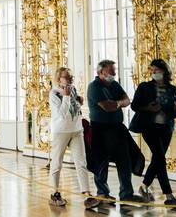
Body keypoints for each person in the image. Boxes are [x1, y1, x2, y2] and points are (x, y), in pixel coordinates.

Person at [129, 58, 176, 205]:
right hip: (148, 126)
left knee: (158, 159)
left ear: (164, 71)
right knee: (160, 158)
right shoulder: (144, 87)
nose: (154, 73)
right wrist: (148, 108)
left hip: (166, 128)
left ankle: (144, 186)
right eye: (152, 71)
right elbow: (134, 106)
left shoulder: (174, 90)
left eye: (157, 70)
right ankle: (169, 195)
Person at [86, 59, 133, 204]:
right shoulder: (94, 87)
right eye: (111, 70)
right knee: (101, 162)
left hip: (117, 128)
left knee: (124, 160)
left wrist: (117, 103)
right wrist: (118, 103)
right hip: (100, 129)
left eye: (114, 70)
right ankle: (103, 193)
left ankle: (126, 194)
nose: (114, 73)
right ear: (101, 72)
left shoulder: (114, 84)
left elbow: (127, 100)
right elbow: (107, 106)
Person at [47, 66, 91, 206]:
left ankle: (86, 193)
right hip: (61, 131)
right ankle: (54, 193)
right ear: (59, 79)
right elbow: (61, 113)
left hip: (76, 130)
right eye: (67, 77)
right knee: (57, 163)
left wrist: (78, 101)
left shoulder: (72, 89)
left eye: (71, 77)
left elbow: (75, 109)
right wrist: (66, 97)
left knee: (81, 162)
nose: (70, 79)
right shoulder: (53, 93)